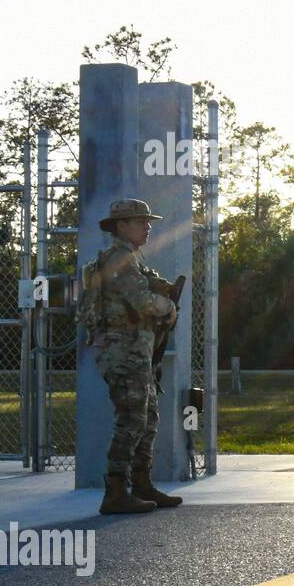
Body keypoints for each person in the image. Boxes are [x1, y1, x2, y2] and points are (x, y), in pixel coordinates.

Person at [92, 199, 183, 514]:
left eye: (148, 221)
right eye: (139, 221)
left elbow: (148, 285)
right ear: (121, 226)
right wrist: (168, 307)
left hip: (136, 350)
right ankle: (116, 491)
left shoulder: (132, 258)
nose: (147, 226)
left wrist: (162, 288)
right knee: (131, 418)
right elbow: (142, 301)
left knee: (148, 416)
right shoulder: (120, 259)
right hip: (122, 350)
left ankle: (141, 484)